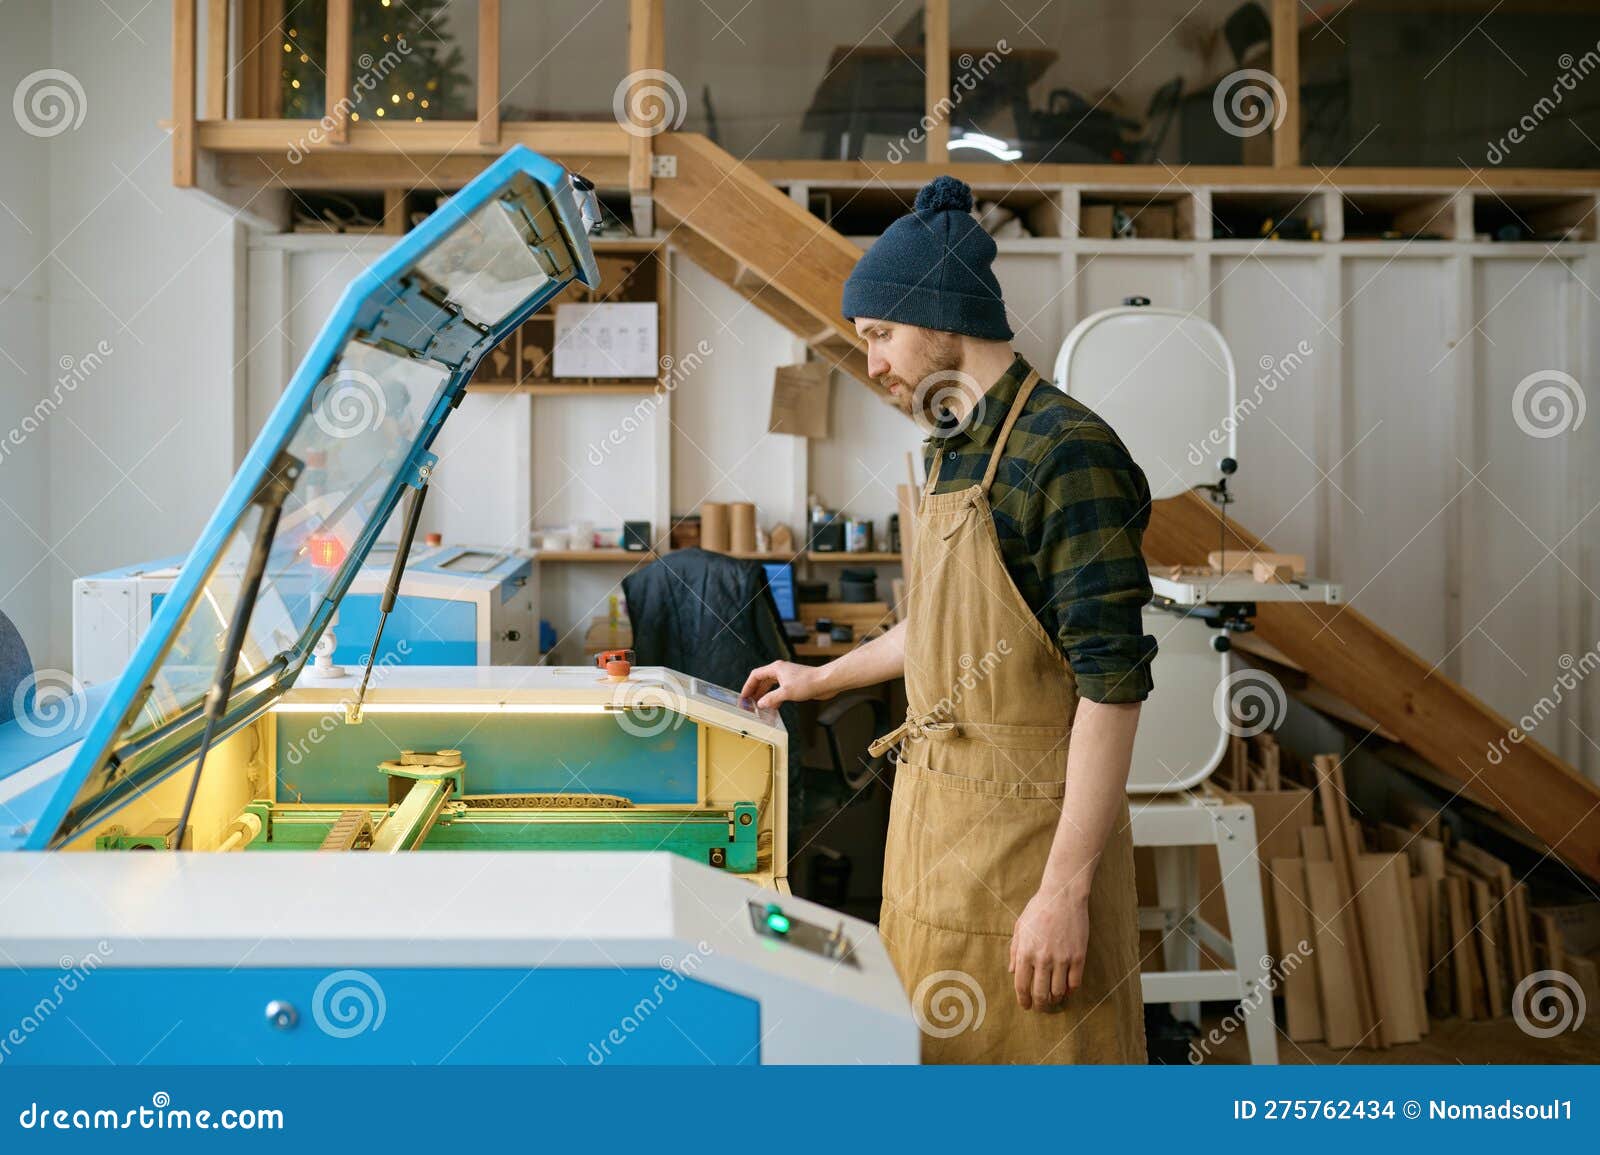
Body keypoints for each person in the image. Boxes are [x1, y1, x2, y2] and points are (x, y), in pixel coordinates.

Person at [741, 175, 1157, 1064]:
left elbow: (1114, 687)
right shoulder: (952, 449)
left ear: (942, 315)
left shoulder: (1067, 452)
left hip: (1029, 852)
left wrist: (1063, 892)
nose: (873, 363)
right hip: (937, 832)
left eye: (879, 334)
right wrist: (819, 676)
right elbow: (940, 627)